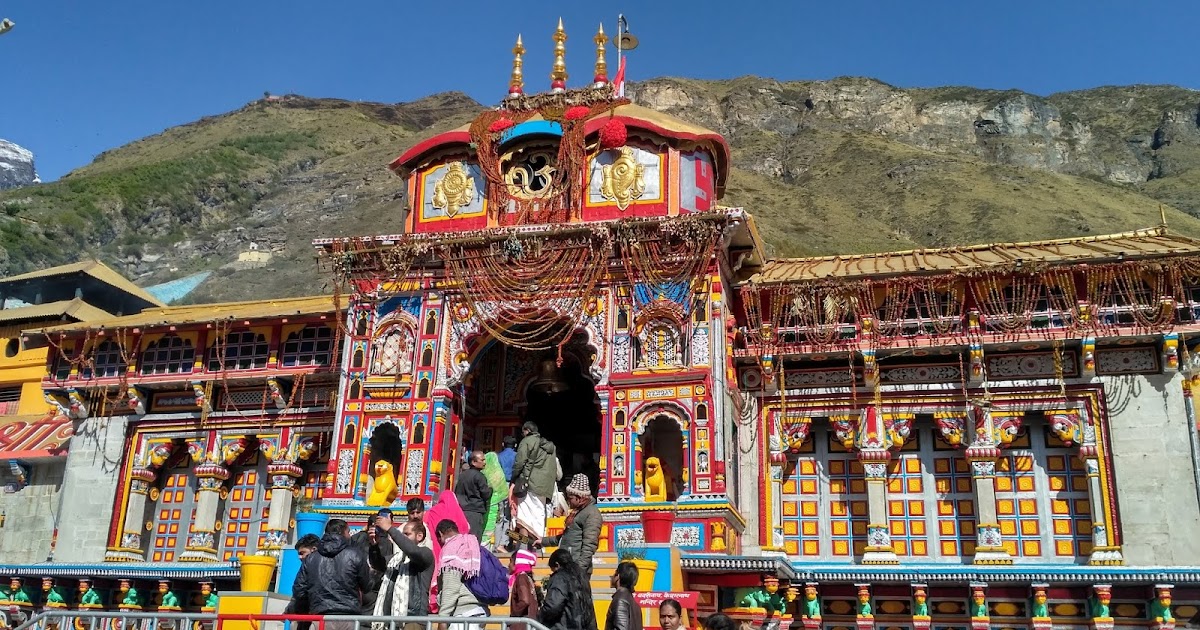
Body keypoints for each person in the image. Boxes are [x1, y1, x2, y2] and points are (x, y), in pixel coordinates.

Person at [291, 519, 373, 630]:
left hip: (320, 616)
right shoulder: (355, 555)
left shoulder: (311, 558)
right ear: (343, 532)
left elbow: (299, 590)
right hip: (349, 616)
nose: (350, 536)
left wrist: (311, 602)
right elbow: (366, 586)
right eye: (348, 532)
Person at [370, 516, 435, 626]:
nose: (402, 538)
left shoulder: (426, 554)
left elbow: (411, 550)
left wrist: (390, 529)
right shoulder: (397, 558)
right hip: (390, 619)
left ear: (419, 536)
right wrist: (374, 546)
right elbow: (378, 564)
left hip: (412, 619)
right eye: (402, 534)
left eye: (407, 534)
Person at [540, 474, 601, 577]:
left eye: (570, 498)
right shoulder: (577, 512)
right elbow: (565, 537)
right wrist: (542, 541)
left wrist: (579, 569)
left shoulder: (591, 514)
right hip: (567, 567)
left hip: (577, 570)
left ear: (579, 498)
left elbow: (589, 546)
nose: (568, 501)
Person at [434, 519, 488, 630]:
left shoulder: (452, 548)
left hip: (463, 615)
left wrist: (443, 619)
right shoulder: (472, 545)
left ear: (440, 534)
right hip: (479, 611)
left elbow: (451, 587)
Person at [512, 421, 560, 542]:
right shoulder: (551, 446)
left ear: (527, 430)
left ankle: (524, 545)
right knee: (539, 514)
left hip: (530, 484)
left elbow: (520, 462)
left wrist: (514, 478)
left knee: (524, 517)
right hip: (545, 486)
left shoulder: (527, 441)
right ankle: (539, 542)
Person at [538, 548, 598, 630]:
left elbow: (553, 606)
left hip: (564, 626)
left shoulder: (560, 578)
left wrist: (540, 616)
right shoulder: (581, 577)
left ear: (557, 564)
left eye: (553, 570)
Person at [283, 534, 322, 630]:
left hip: (310, 614)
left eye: (302, 553)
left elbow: (299, 591)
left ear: (313, 549)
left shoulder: (308, 566)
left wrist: (288, 611)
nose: (300, 557)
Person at [455, 450, 492, 540]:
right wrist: (491, 489)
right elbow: (486, 494)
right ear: (474, 462)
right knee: (473, 540)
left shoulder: (462, 475)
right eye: (482, 460)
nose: (484, 463)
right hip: (475, 511)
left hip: (461, 510)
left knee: (462, 538)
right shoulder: (479, 476)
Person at [482, 452, 509, 549]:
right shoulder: (499, 474)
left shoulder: (485, 473)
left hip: (488, 503)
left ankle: (493, 545)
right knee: (503, 520)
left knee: (493, 523)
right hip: (500, 500)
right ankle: (501, 544)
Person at [508, 549, 540, 630]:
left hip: (521, 625)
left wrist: (513, 615)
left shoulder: (521, 578)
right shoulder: (527, 578)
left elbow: (524, 601)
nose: (508, 565)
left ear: (517, 563)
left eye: (511, 561)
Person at [606, 562, 643, 630]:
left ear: (618, 576)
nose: (611, 576)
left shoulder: (620, 600)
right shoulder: (634, 603)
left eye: (614, 574)